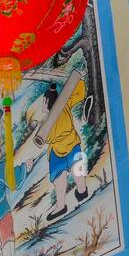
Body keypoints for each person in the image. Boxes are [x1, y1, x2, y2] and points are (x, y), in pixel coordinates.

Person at [41, 79, 90, 221]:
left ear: (45, 102)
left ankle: (61, 205)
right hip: (71, 144)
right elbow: (80, 91)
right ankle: (82, 191)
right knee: (77, 170)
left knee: (59, 179)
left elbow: (47, 138)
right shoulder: (66, 105)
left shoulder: (49, 120)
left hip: (58, 151)